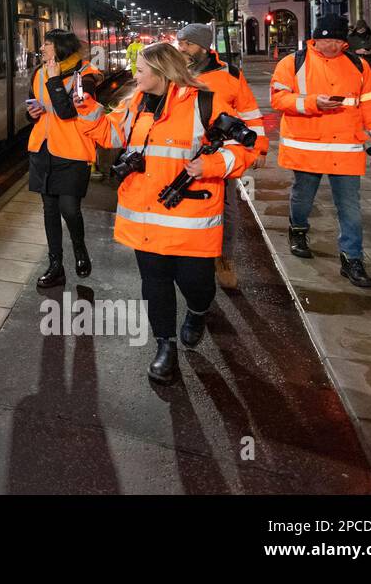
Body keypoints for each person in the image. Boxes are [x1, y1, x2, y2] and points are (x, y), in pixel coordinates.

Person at [82, 42, 254, 384]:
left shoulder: (203, 102)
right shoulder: (136, 104)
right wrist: (85, 106)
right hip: (145, 216)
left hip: (190, 219)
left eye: (141, 69)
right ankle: (165, 346)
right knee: (154, 283)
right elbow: (109, 132)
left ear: (161, 72)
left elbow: (245, 148)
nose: (135, 75)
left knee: (197, 284)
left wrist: (211, 164)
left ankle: (197, 311)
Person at [271, 14, 371, 289]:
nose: (331, 46)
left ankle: (352, 258)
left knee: (350, 208)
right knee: (303, 197)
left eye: (337, 40)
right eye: (325, 40)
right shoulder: (292, 63)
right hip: (307, 145)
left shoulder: (359, 66)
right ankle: (298, 229)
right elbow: (278, 98)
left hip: (346, 148)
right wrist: (313, 102)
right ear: (315, 38)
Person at [176, 22, 269, 291]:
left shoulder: (230, 74)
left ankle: (223, 257)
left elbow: (249, 112)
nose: (183, 49)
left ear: (204, 47)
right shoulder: (174, 72)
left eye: (188, 44)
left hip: (220, 153)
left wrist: (259, 147)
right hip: (183, 150)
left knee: (226, 208)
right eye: (180, 43)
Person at [25, 29, 103, 288]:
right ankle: (55, 265)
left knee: (69, 209)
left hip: (72, 152)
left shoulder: (85, 76)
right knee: (49, 211)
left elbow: (68, 112)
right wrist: (32, 112)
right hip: (43, 150)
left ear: (61, 47)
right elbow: (36, 106)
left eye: (47, 43)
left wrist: (56, 80)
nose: (43, 47)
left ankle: (80, 250)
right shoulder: (39, 72)